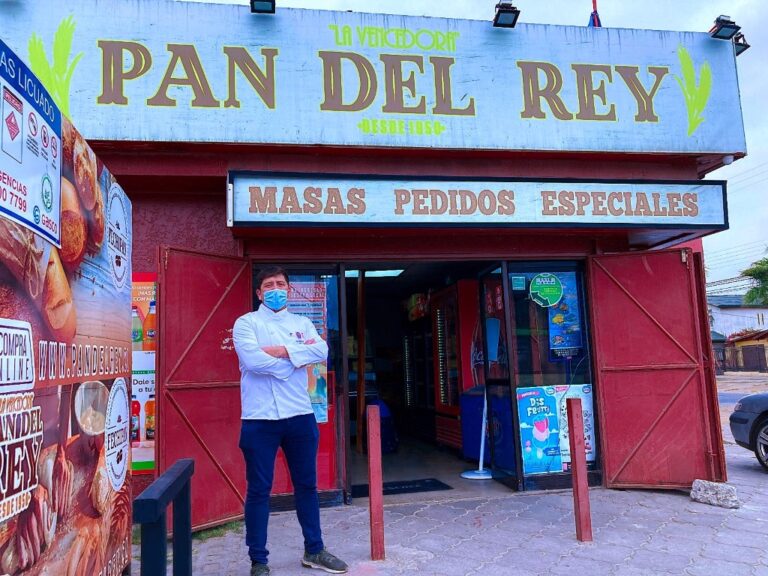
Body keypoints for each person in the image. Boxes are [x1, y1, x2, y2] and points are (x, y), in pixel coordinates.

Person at [233, 267, 348, 576]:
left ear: (288, 289)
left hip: (300, 416)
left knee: (307, 486)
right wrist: (295, 360)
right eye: (268, 285)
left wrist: (283, 351)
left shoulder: (302, 322)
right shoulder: (247, 323)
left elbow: (321, 350)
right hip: (259, 420)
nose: (275, 289)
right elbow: (251, 360)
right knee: (259, 489)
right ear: (259, 293)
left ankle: (315, 549)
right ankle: (258, 561)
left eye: (280, 284)